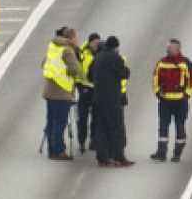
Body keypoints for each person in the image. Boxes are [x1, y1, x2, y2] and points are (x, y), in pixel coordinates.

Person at [151, 38, 192, 162]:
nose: (167, 49)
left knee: (180, 127)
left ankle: (177, 153)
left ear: (177, 49)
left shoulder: (185, 63)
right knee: (163, 126)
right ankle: (161, 152)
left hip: (180, 102)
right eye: (167, 47)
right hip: (165, 101)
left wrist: (187, 94)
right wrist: (157, 92)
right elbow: (155, 78)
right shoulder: (162, 62)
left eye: (170, 47)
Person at [40, 26, 83, 160]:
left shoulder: (53, 46)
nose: (78, 39)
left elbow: (44, 64)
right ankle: (59, 150)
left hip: (49, 90)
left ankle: (51, 149)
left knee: (51, 121)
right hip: (62, 92)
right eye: (77, 37)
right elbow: (76, 70)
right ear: (71, 38)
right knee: (60, 122)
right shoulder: (68, 51)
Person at [89, 36, 133, 167]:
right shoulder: (115, 58)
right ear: (116, 47)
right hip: (112, 99)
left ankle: (102, 158)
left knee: (100, 128)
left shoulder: (98, 57)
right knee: (116, 128)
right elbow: (125, 74)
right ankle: (119, 157)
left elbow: (89, 75)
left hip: (98, 98)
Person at [74, 32, 102, 150]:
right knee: (82, 118)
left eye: (98, 42)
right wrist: (79, 86)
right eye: (94, 42)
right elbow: (76, 71)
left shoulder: (101, 53)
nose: (96, 45)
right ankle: (81, 140)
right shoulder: (81, 53)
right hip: (85, 90)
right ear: (89, 42)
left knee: (96, 118)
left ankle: (94, 141)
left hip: (96, 90)